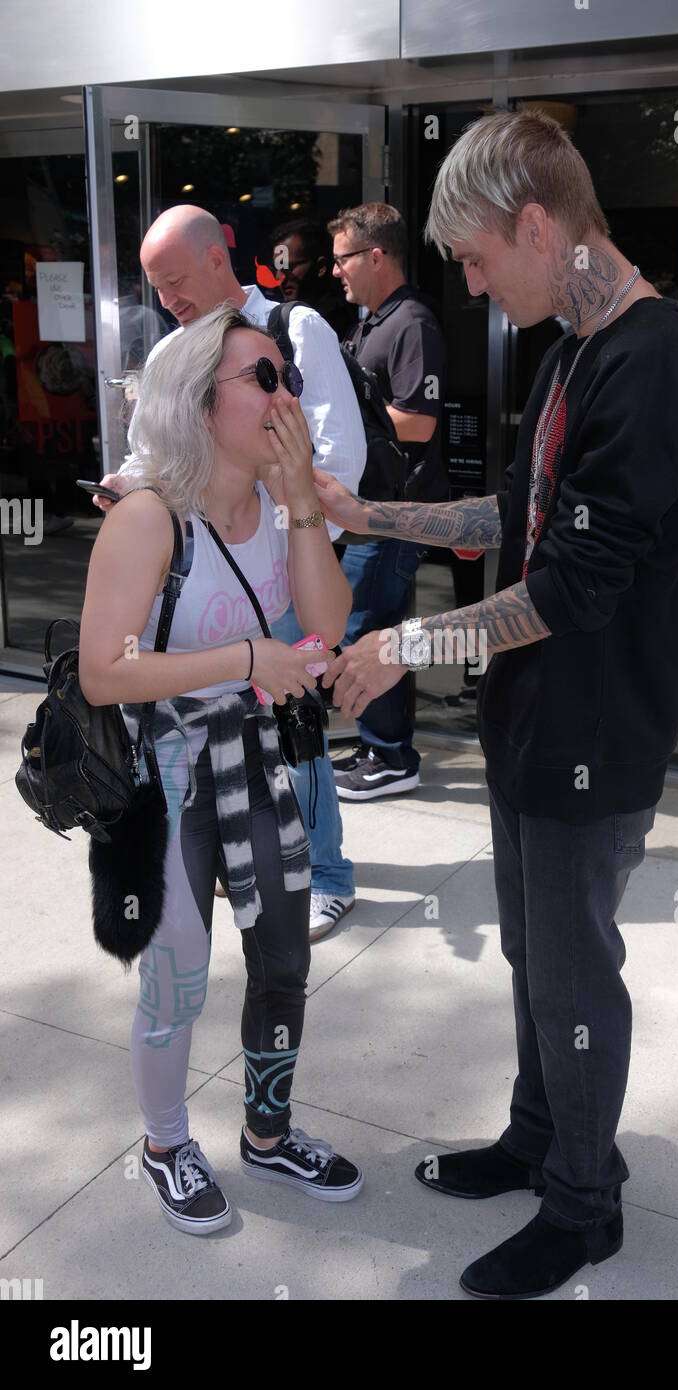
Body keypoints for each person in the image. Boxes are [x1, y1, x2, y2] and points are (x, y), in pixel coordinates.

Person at [314, 109, 678, 1299]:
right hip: (529, 726)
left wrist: (404, 640)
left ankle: (583, 1206)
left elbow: (573, 587)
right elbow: (509, 518)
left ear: (536, 224)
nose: (475, 285)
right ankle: (538, 1134)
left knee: (570, 974)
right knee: (533, 965)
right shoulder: (568, 347)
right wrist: (364, 516)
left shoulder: (653, 360)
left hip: (594, 736)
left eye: (480, 258)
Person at [78, 306, 361, 1234]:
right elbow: (103, 669)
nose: (289, 395)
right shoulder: (149, 517)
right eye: (265, 378)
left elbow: (323, 633)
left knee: (283, 958)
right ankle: (165, 1144)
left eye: (288, 376)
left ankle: (269, 1135)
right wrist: (246, 659)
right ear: (203, 403)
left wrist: (302, 503)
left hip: (253, 758)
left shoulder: (279, 512)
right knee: (178, 978)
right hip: (164, 772)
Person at [94, 205, 362, 943]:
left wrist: (291, 524)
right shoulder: (171, 358)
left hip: (278, 556)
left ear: (219, 258)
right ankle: (225, 862)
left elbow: (338, 451)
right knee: (209, 735)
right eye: (154, 286)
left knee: (294, 728)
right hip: (202, 562)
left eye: (175, 279)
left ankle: (326, 873)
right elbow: (157, 458)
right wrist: (135, 493)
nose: (167, 298)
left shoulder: (294, 331)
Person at [327, 202, 448, 800]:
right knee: (377, 627)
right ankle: (382, 745)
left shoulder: (412, 324)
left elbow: (419, 423)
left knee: (365, 628)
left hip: (397, 515)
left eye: (343, 258)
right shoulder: (376, 322)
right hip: (371, 512)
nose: (335, 271)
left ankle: (392, 757)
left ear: (376, 256)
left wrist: (346, 427)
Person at [270, 217, 357, 340]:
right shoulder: (283, 317)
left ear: (320, 267)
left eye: (289, 267)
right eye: (277, 268)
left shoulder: (333, 323)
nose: (280, 277)